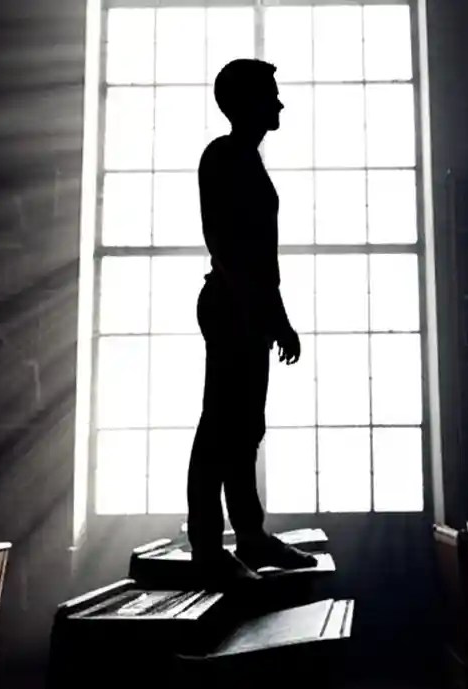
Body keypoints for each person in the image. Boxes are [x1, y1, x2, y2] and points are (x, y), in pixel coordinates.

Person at [186, 59, 318, 585]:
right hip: (232, 304)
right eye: (272, 95)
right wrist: (262, 314)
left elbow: (264, 258)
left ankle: (251, 535)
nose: (280, 104)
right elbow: (234, 250)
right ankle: (207, 545)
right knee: (220, 426)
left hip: (250, 307)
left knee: (244, 429)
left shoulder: (245, 158)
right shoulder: (223, 157)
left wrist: (276, 319)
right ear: (245, 103)